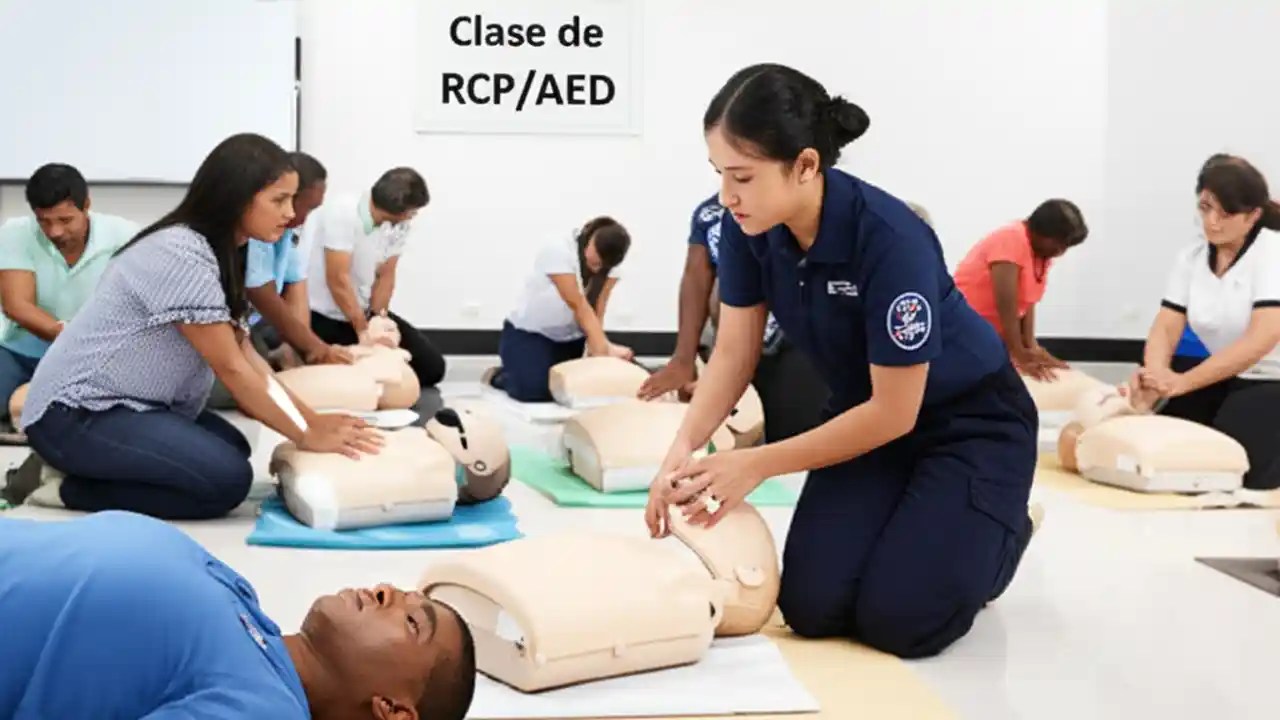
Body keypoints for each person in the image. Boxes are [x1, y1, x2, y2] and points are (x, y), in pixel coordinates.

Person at [644, 64, 1040, 660]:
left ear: (805, 165)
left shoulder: (891, 238)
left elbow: (896, 412)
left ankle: (1003, 533)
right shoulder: (748, 224)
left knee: (903, 622)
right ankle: (936, 526)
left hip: (969, 425)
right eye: (719, 174)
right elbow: (733, 352)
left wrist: (756, 464)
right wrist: (682, 451)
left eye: (742, 176)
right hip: (865, 420)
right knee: (812, 607)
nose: (726, 195)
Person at [16, 133, 383, 520]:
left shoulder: (221, 251)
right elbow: (232, 368)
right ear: (237, 198)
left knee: (232, 449)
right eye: (279, 200)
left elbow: (247, 355)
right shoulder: (179, 252)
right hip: (73, 414)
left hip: (133, 406)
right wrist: (306, 434)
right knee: (225, 482)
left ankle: (84, 469)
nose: (290, 213)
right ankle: (59, 486)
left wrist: (311, 421)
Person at [0, 510, 476, 719]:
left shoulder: (266, 708)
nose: (383, 591)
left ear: (392, 710)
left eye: (413, 622)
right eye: (397, 589)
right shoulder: (245, 603)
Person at [1131, 154, 1280, 490]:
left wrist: (1182, 383)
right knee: (1170, 452)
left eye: (1225, 214)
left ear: (1253, 215)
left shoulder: (1273, 252)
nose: (1212, 222)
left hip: (1271, 377)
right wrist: (1155, 378)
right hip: (1223, 372)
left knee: (1240, 469)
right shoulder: (1192, 257)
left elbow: (1263, 338)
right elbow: (1166, 325)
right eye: (1205, 208)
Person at [637, 194, 829, 443]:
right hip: (734, 344)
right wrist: (683, 359)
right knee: (734, 437)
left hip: (800, 342)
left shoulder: (808, 208)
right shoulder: (711, 214)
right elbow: (696, 280)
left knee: (796, 442)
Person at [206, 151, 349, 410]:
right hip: (217, 328)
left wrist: (302, 348)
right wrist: (312, 347)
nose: (303, 218)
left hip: (247, 323)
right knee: (239, 387)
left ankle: (274, 359)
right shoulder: (251, 231)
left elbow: (296, 287)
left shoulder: (286, 233)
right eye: (304, 206)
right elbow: (261, 293)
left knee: (263, 358)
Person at [0, 163, 138, 423]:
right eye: (44, 221)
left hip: (95, 355)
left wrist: (82, 344)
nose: (55, 232)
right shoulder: (15, 232)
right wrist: (66, 334)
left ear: (86, 205)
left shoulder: (124, 236)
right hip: (22, 353)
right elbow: (16, 305)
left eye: (65, 220)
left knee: (109, 414)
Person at [306, 168, 446, 388]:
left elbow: (386, 275)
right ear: (399, 210)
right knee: (348, 371)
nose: (413, 216)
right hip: (322, 314)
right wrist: (362, 331)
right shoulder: (342, 212)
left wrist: (379, 321)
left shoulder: (399, 225)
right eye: (412, 212)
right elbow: (337, 279)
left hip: (361, 312)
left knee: (431, 368)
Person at [487, 217, 634, 402]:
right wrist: (603, 351)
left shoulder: (610, 266)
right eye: (595, 263)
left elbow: (597, 310)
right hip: (531, 334)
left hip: (571, 340)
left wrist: (602, 350)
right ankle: (503, 374)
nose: (597, 270)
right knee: (533, 390)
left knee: (571, 391)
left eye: (603, 267)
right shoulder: (558, 251)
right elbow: (577, 304)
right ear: (589, 241)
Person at [952, 199, 1088, 380]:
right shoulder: (1011, 238)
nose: (1061, 251)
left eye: (1066, 247)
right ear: (1041, 231)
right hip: (965, 335)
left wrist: (1032, 347)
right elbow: (1006, 304)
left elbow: (1026, 302)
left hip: (992, 338)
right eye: (1059, 243)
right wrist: (1018, 353)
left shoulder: (1040, 255)